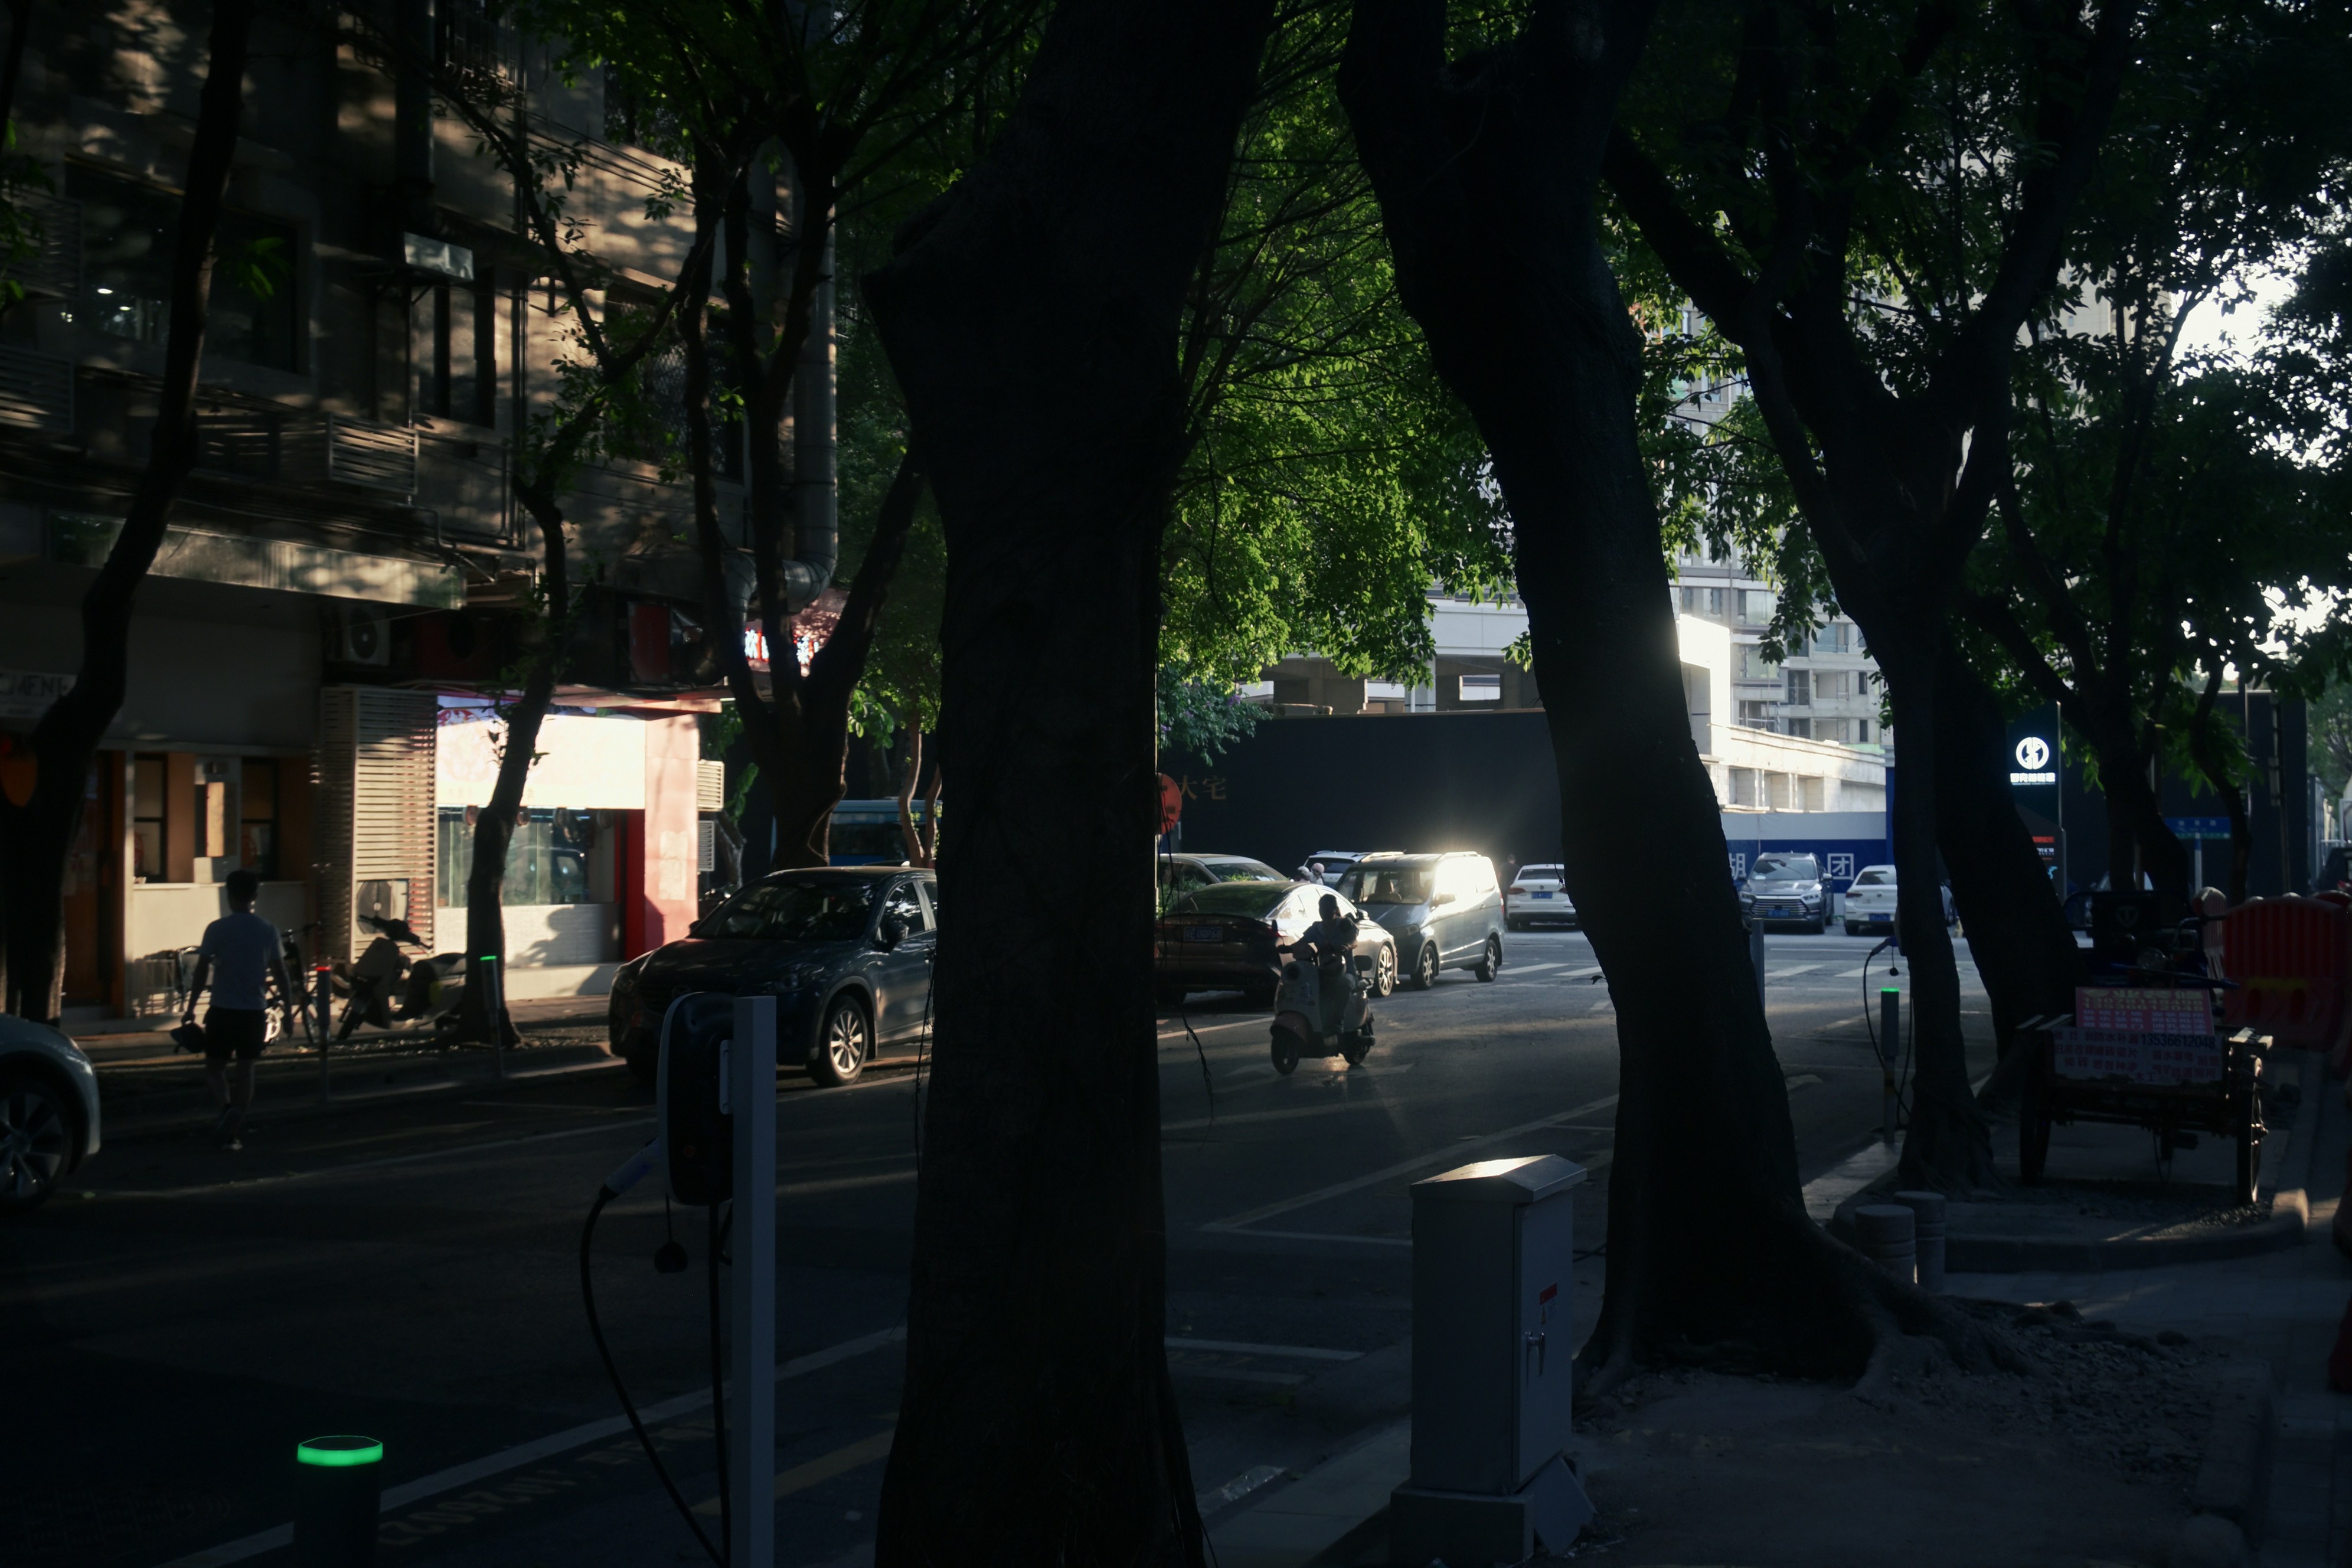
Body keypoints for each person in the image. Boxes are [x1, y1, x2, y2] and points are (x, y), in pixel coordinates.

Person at [182, 868, 293, 1151]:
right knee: (246, 1069)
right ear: (254, 896)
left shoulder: (217, 929)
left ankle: (227, 1108)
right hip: (254, 1012)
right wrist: (289, 1012)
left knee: (215, 1069)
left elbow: (202, 970)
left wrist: (191, 1007)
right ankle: (236, 1122)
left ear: (228, 895)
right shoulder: (267, 930)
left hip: (222, 1010)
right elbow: (281, 974)